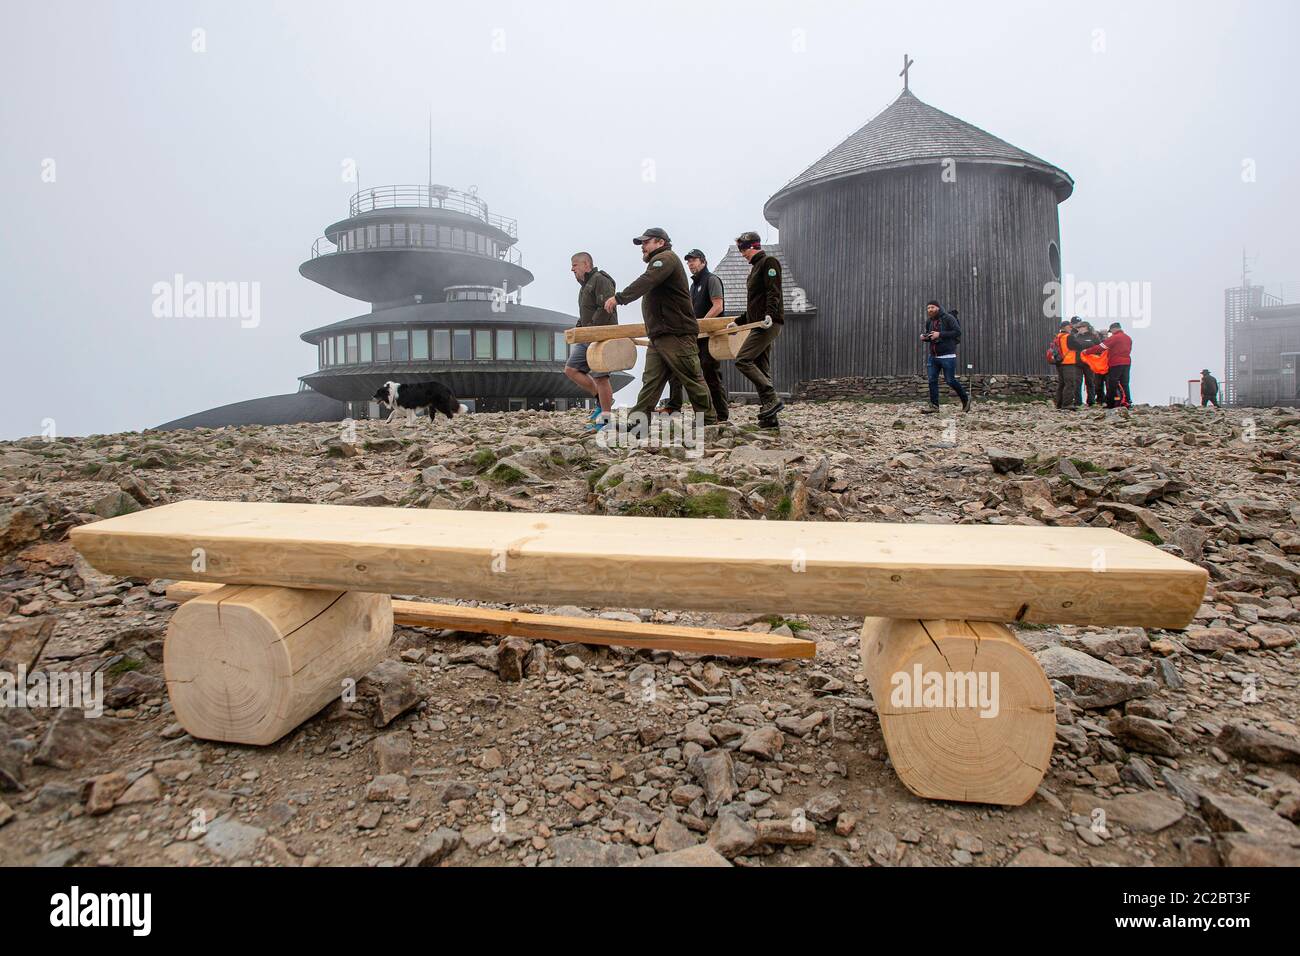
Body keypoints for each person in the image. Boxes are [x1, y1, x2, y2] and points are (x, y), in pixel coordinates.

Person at [603, 227, 716, 427]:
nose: (643, 247)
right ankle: (638, 422)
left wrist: (620, 298)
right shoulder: (659, 262)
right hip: (660, 334)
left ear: (660, 242)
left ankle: (707, 420)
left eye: (646, 243)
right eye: (642, 244)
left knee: (691, 376)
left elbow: (647, 281)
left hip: (676, 333)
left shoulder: (665, 259)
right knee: (652, 380)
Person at [658, 249, 728, 421]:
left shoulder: (711, 280)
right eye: (688, 262)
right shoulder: (693, 285)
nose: (690, 264)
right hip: (693, 335)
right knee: (676, 368)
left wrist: (700, 324)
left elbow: (718, 306)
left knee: (710, 373)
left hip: (709, 336)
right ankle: (674, 406)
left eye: (694, 261)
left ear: (703, 262)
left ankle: (721, 414)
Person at [733, 231, 785, 428]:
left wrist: (770, 314)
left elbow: (774, 291)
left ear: (753, 247)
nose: (742, 254)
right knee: (762, 368)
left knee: (743, 360)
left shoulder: (768, 262)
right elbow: (754, 304)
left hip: (768, 324)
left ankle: (771, 397)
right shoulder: (754, 269)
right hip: (758, 323)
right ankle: (770, 416)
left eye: (743, 249)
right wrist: (739, 322)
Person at [566, 253, 617, 430]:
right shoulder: (585, 285)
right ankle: (600, 401)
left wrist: (592, 329)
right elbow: (585, 314)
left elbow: (605, 308)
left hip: (601, 336)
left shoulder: (600, 279)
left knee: (601, 377)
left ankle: (606, 419)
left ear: (586, 264)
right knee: (571, 369)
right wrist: (578, 330)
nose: (572, 269)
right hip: (588, 335)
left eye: (575, 265)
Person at [920, 300, 970, 413]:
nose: (930, 310)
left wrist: (940, 334)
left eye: (932, 307)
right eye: (928, 308)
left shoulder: (948, 318)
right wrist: (925, 337)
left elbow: (957, 332)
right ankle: (934, 406)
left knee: (950, 380)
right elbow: (931, 336)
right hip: (933, 356)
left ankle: (966, 400)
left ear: (938, 307)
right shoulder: (929, 321)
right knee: (932, 380)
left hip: (947, 355)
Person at [1083, 322, 1132, 408]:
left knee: (1113, 383)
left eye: (1111, 331)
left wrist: (1087, 351)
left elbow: (1101, 347)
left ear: (1114, 329)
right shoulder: (1128, 338)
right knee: (1124, 383)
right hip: (1127, 362)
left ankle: (1111, 403)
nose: (1111, 333)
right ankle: (1127, 401)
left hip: (1115, 362)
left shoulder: (1114, 338)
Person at [1070, 319, 1104, 407]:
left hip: (1089, 363)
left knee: (1090, 382)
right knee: (1077, 382)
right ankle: (1078, 402)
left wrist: (1096, 358)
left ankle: (1091, 401)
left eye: (1082, 327)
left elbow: (1099, 348)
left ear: (1087, 328)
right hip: (1077, 363)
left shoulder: (1094, 337)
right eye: (1078, 327)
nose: (1080, 329)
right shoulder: (1075, 337)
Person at [1052, 319, 1081, 410]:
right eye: (1070, 326)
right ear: (1066, 327)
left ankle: (1059, 404)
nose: (1071, 328)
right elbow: (1078, 346)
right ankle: (1067, 404)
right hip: (1068, 362)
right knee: (1070, 383)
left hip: (1059, 362)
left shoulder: (1058, 336)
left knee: (1062, 383)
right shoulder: (1069, 337)